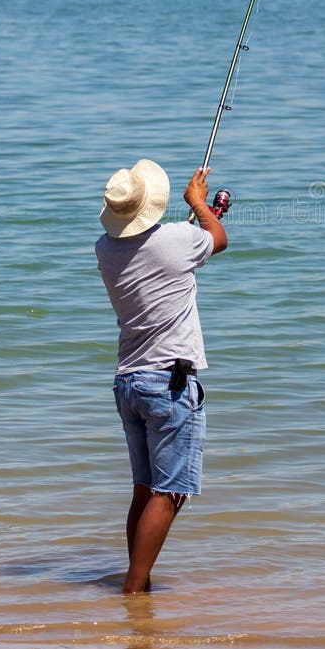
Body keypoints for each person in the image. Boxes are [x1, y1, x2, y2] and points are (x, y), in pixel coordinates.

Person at [95, 159, 227, 594]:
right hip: (168, 383)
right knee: (170, 493)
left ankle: (140, 582)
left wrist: (193, 223)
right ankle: (134, 592)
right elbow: (219, 240)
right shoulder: (178, 238)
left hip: (129, 382)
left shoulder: (105, 249)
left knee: (144, 489)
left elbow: (155, 253)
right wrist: (201, 206)